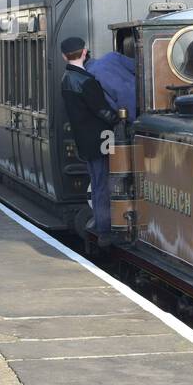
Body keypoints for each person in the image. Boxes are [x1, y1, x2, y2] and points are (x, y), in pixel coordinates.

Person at [59, 36, 120, 245]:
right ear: (85, 52)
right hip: (100, 137)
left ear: (64, 56)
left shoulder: (67, 79)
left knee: (96, 181)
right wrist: (119, 117)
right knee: (103, 181)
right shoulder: (85, 81)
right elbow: (101, 109)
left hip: (84, 139)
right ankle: (105, 227)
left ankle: (99, 222)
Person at [87, 36, 138, 121]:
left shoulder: (90, 76)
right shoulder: (111, 56)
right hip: (144, 100)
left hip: (128, 115)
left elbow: (109, 103)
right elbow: (136, 66)